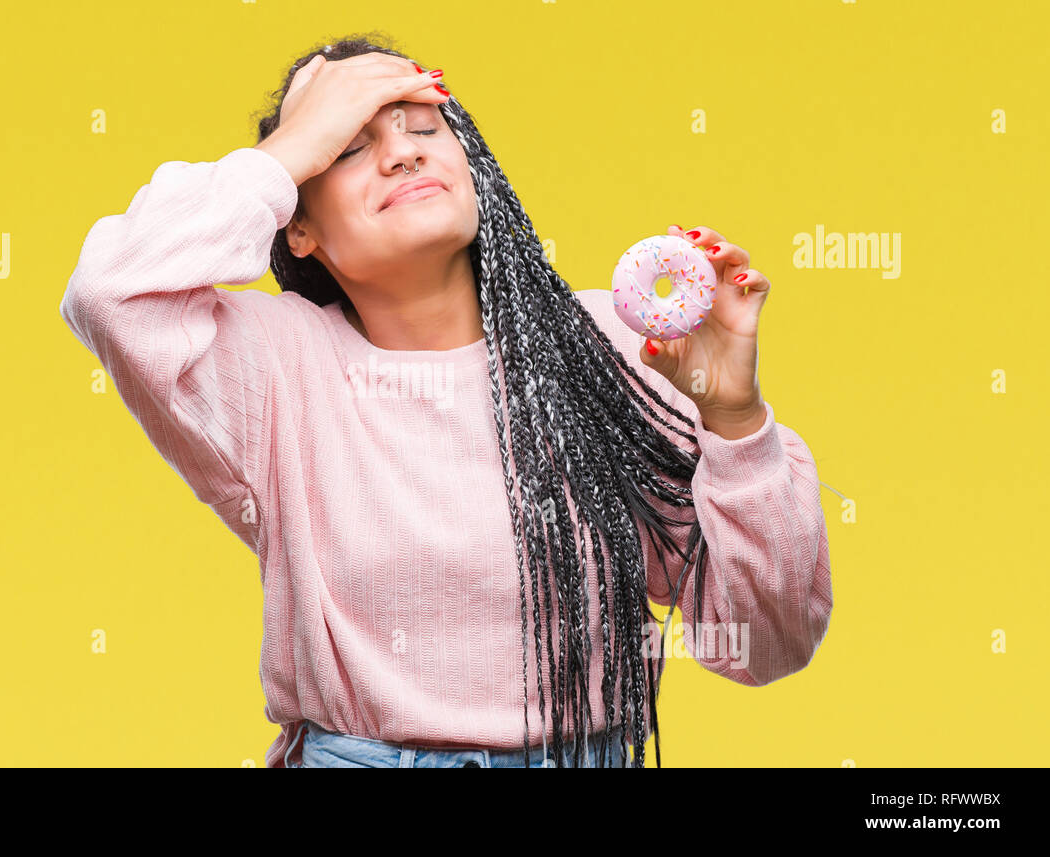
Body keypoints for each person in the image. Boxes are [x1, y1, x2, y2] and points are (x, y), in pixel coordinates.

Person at [57, 34, 833, 768]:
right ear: (298, 228)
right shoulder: (278, 368)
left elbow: (766, 645)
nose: (402, 151)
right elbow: (110, 289)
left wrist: (737, 422)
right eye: (348, 144)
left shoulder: (611, 347)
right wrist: (289, 146)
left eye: (424, 123)